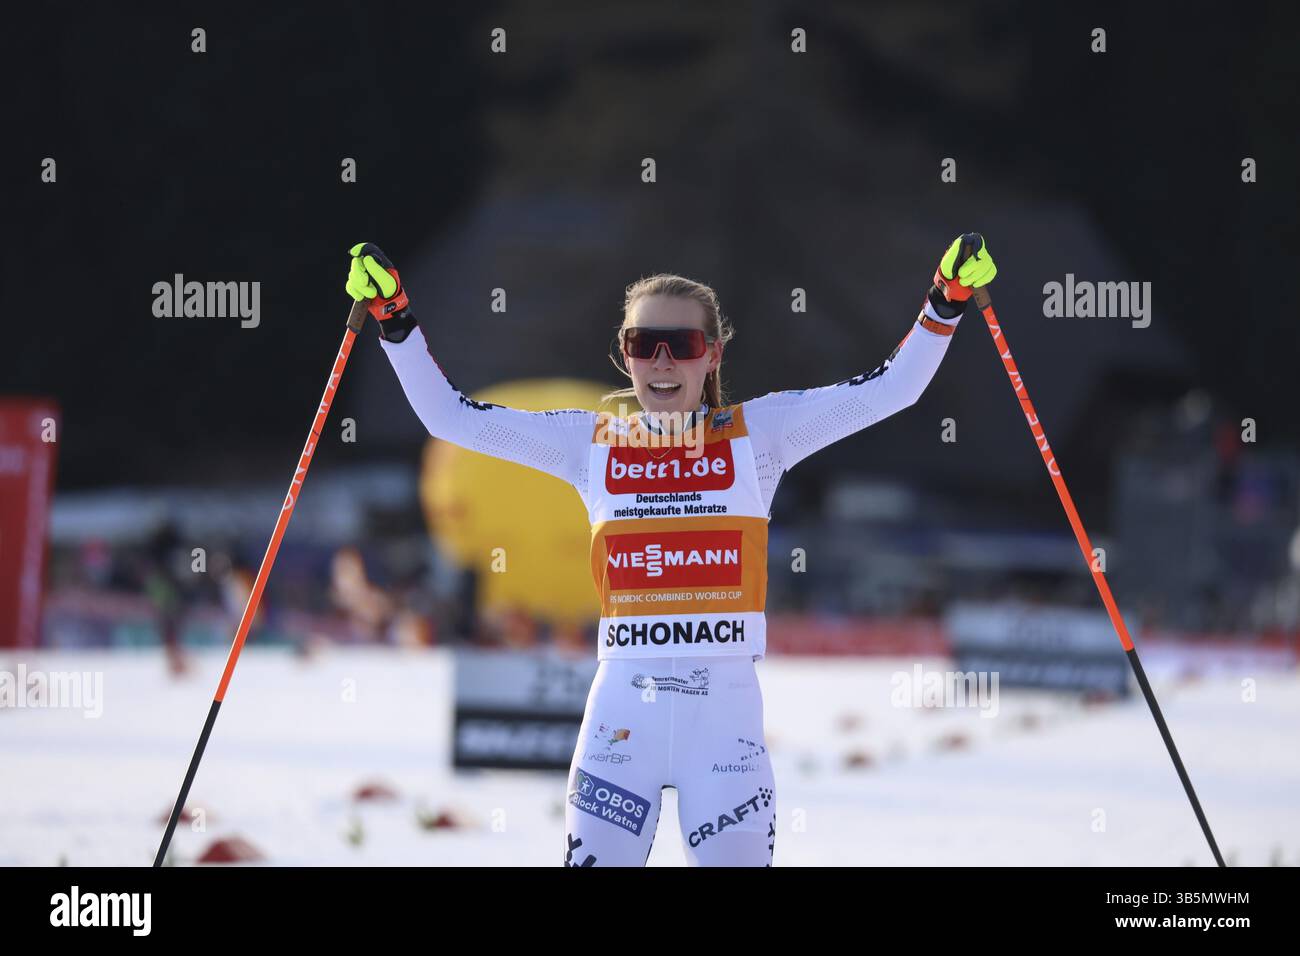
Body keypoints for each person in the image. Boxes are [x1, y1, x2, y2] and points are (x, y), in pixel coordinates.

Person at [344, 236, 997, 866]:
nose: (660, 362)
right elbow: (452, 419)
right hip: (619, 733)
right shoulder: (590, 444)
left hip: (725, 737)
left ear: (710, 355)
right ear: (624, 356)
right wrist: (395, 317)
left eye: (679, 345)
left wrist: (945, 300)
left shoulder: (759, 437)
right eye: (642, 344)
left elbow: (892, 389)